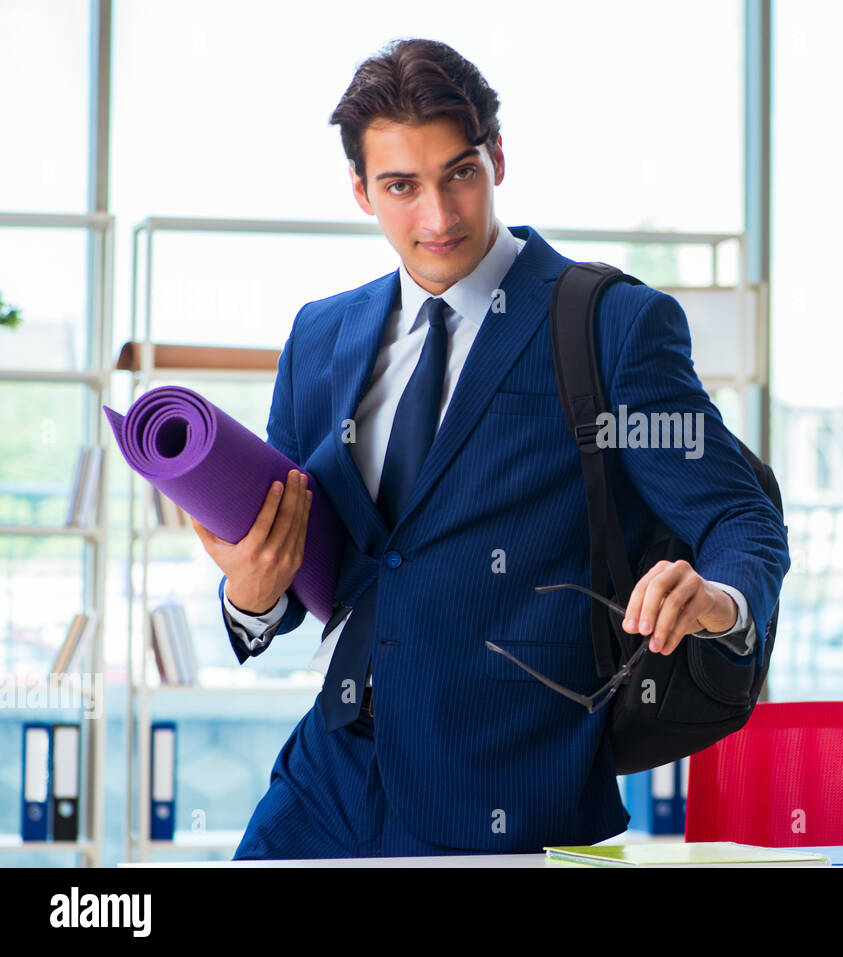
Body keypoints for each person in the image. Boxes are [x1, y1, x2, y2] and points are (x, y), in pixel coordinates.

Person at [192, 37, 789, 859]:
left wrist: (718, 597)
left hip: (514, 786)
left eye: (458, 173)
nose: (437, 217)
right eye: (402, 186)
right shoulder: (319, 335)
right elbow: (299, 570)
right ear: (363, 192)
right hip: (330, 779)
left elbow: (739, 518)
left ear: (497, 157)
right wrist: (252, 598)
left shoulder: (610, 324)